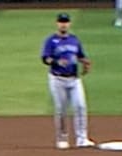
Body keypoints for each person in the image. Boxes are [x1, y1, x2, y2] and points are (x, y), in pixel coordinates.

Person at [41, 13, 93, 149]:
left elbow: (80, 55)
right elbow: (45, 58)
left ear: (69, 24)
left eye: (66, 22)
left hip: (74, 79)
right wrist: (57, 61)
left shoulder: (74, 40)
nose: (63, 24)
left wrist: (86, 62)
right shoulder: (51, 41)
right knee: (61, 109)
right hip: (58, 79)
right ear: (57, 23)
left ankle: (82, 138)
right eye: (61, 22)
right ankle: (62, 138)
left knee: (81, 106)